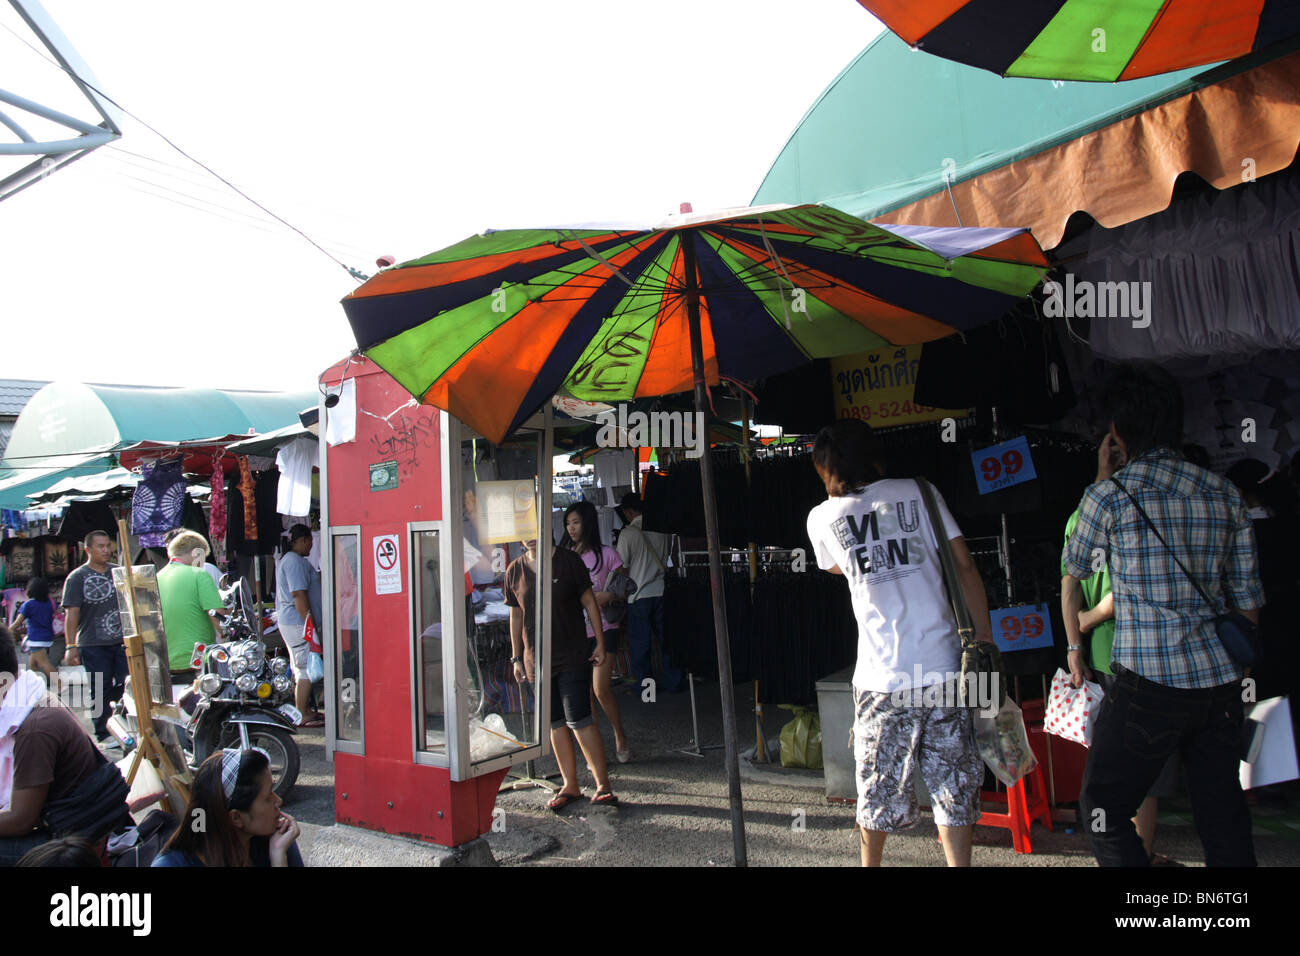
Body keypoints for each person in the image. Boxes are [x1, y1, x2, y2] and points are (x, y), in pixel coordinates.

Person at [1063, 363, 1264, 867]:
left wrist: (1103, 477)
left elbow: (1076, 566)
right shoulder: (1224, 495)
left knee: (1103, 809)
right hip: (1218, 684)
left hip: (1146, 687)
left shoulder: (1108, 496)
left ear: (1117, 433)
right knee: (1222, 813)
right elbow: (1247, 602)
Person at [805, 419, 991, 867]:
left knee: (877, 783)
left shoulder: (822, 517)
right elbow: (965, 568)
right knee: (953, 781)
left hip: (882, 676)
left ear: (826, 470)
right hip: (947, 667)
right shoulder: (922, 492)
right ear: (876, 455)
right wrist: (984, 645)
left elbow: (836, 568)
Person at [1062, 432, 1179, 866]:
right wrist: (1087, 623)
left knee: (1110, 765)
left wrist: (1075, 643)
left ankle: (1121, 853)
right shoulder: (1137, 511)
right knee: (1142, 769)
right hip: (1140, 657)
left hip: (1100, 658)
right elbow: (1121, 593)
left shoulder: (1080, 517)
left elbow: (1069, 585)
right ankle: (1141, 853)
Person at [505, 537, 618, 810]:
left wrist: (601, 643)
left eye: (535, 525)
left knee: (579, 718)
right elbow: (516, 616)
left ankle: (603, 784)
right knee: (555, 723)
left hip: (571, 653)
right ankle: (570, 784)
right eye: (525, 528)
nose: (531, 534)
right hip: (536, 660)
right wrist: (517, 658)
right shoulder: (514, 570)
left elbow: (590, 603)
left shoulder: (569, 561)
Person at [0, 627, 128, 867]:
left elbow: (20, 820)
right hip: (64, 826)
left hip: (72, 845)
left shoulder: (34, 727)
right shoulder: (27, 697)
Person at [561, 501, 631, 762]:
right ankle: (596, 750)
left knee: (600, 688)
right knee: (585, 695)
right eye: (568, 523)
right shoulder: (564, 557)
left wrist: (607, 595)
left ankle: (619, 734)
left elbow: (624, 589)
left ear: (588, 524)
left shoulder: (608, 554)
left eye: (576, 522)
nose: (571, 528)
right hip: (575, 632)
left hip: (606, 627)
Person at [153, 748, 303, 867]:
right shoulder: (171, 864)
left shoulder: (277, 842)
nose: (279, 801)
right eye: (268, 796)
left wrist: (278, 857)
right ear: (236, 817)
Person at [615, 492, 684, 693]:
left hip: (638, 596)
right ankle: (674, 684)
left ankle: (647, 691)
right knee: (667, 642)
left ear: (628, 512)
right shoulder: (662, 529)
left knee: (641, 646)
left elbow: (622, 568)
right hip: (662, 591)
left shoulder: (627, 534)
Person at [61, 530, 126, 743]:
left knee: (126, 684)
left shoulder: (119, 572)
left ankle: (123, 726)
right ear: (88, 549)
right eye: (101, 546)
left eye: (108, 545)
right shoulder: (77, 577)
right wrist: (71, 645)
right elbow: (72, 614)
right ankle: (103, 731)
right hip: (93, 643)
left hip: (122, 641)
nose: (106, 550)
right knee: (100, 687)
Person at [158, 531, 226, 694]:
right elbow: (218, 617)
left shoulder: (158, 576)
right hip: (198, 662)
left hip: (166, 663)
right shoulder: (199, 574)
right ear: (196, 553)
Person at [275, 524, 324, 728]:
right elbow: (298, 595)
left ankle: (305, 709)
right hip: (297, 623)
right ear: (302, 540)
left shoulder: (292, 560)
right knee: (304, 668)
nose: (312, 545)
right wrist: (309, 624)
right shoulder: (294, 562)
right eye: (310, 540)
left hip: (295, 622)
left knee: (302, 666)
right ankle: (302, 713)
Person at [11, 578, 57, 685]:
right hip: (48, 637)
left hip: (36, 639)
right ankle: (37, 685)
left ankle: (60, 684)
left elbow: (17, 623)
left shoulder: (28, 605)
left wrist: (6, 630)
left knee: (44, 663)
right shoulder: (50, 603)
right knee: (32, 665)